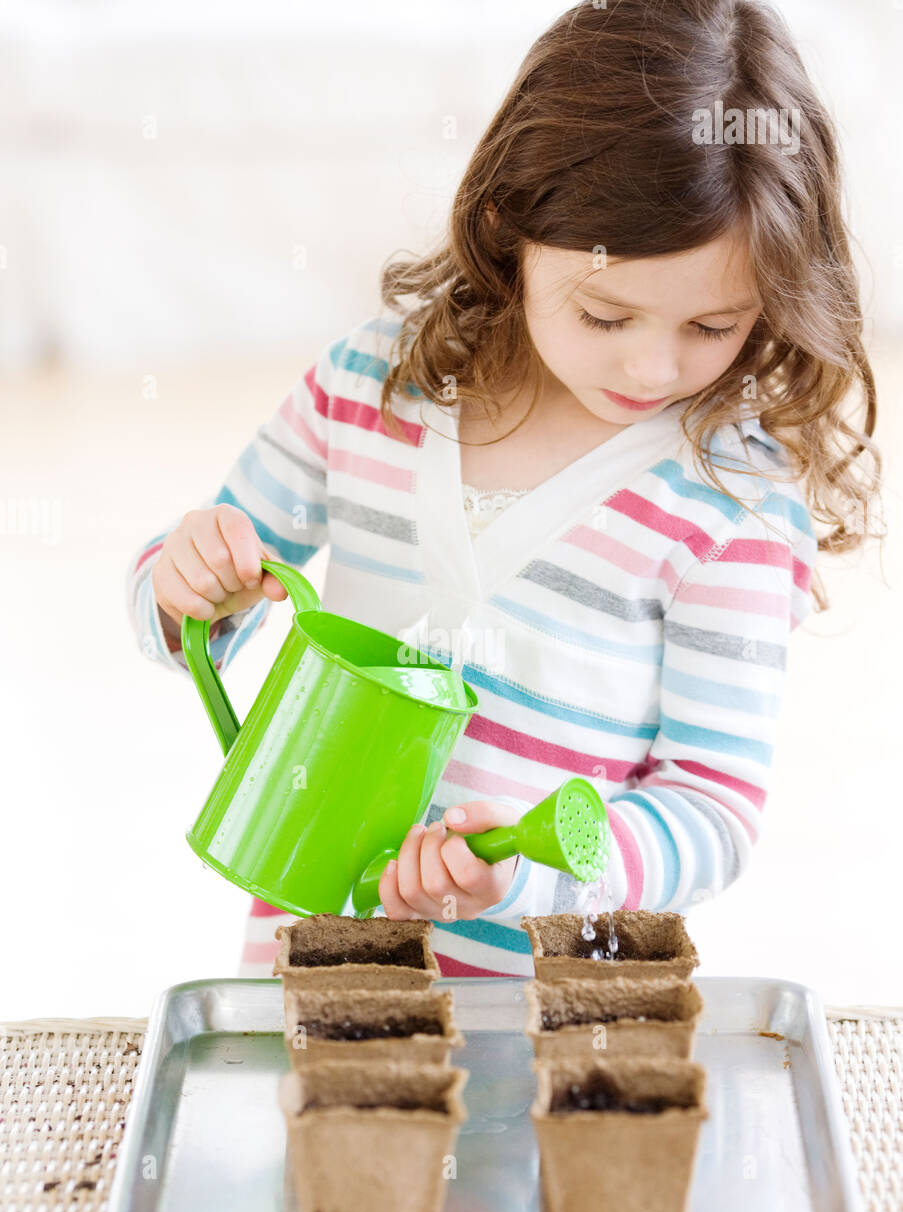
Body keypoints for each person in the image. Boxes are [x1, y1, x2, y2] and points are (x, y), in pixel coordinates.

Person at [127, 0, 882, 978]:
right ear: (507, 223)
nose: (654, 367)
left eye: (712, 327)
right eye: (607, 313)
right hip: (314, 971)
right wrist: (189, 585)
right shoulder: (367, 388)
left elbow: (711, 809)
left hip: (550, 1014)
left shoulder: (731, 504)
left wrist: (523, 871)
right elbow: (175, 617)